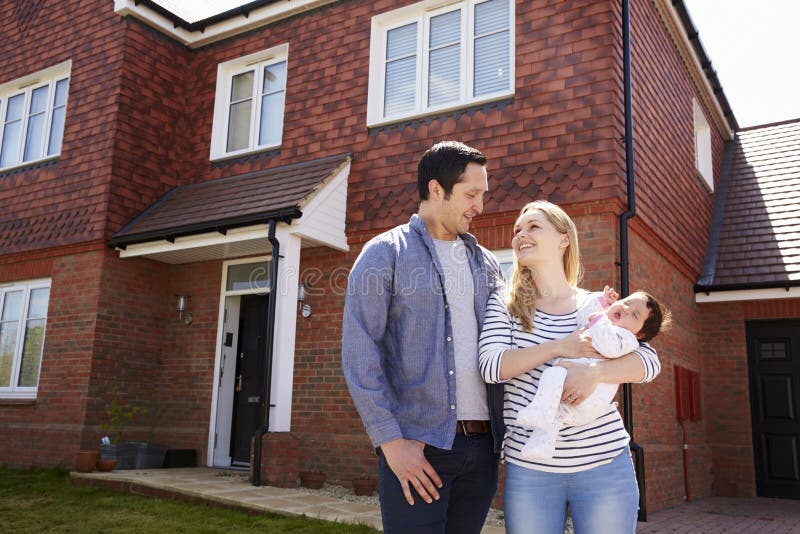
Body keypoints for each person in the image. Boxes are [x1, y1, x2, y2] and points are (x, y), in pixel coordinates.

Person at [342, 141, 505, 534]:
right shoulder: (385, 254)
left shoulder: (487, 264)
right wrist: (391, 443)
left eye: (482, 195)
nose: (479, 207)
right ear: (436, 189)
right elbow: (360, 354)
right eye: (471, 194)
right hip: (418, 449)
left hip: (482, 449)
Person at [478, 200, 662, 534]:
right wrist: (562, 346)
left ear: (564, 239)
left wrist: (595, 373)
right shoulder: (504, 305)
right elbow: (492, 366)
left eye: (534, 226)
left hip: (604, 466)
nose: (521, 235)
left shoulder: (596, 305)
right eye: (518, 230)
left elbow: (649, 361)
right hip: (530, 469)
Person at [516, 285, 671, 461]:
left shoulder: (626, 339)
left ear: (640, 334)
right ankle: (540, 444)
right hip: (568, 392)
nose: (627, 309)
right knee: (552, 405)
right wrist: (602, 302)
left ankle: (540, 412)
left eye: (635, 315)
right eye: (627, 302)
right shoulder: (604, 320)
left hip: (589, 400)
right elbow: (584, 316)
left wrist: (600, 319)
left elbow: (608, 346)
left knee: (553, 382)